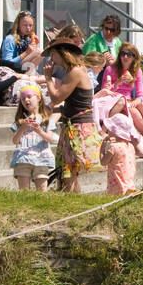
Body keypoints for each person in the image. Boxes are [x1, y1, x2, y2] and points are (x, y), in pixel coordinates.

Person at [43, 41, 101, 192]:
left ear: (63, 53)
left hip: (77, 126)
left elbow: (56, 98)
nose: (51, 58)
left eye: (53, 54)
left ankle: (71, 198)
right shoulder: (76, 70)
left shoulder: (75, 72)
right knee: (68, 170)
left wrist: (48, 78)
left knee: (69, 170)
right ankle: (72, 197)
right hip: (73, 124)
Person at [99, 43, 143, 158]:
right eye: (123, 53)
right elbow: (104, 92)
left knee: (142, 106)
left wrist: (136, 102)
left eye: (129, 54)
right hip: (114, 102)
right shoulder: (110, 69)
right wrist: (117, 83)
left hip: (128, 101)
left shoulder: (137, 71)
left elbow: (140, 95)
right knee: (134, 112)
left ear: (134, 57)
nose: (125, 57)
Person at [11, 84, 55, 191]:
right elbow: (15, 140)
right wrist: (23, 127)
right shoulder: (20, 121)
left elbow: (50, 138)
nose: (26, 100)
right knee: (23, 190)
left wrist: (39, 131)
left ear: (38, 98)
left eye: (29, 97)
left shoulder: (46, 119)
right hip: (23, 157)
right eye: (23, 99)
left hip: (42, 157)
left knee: (42, 189)